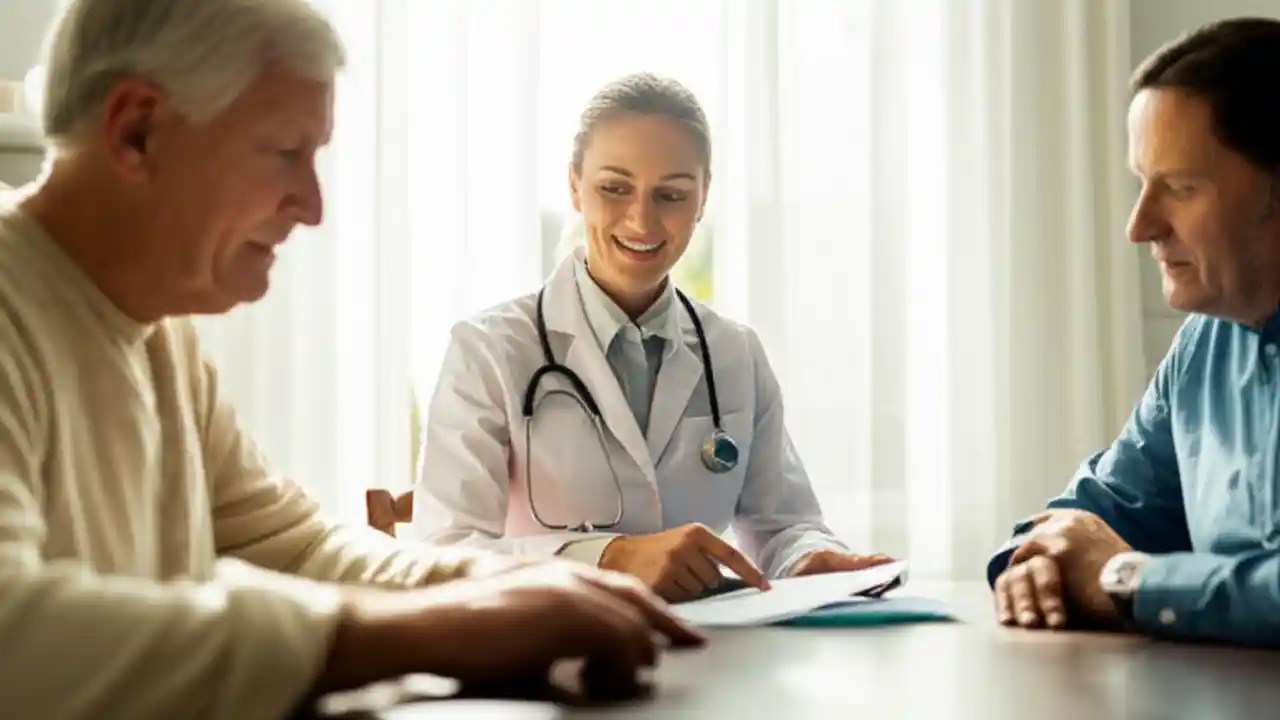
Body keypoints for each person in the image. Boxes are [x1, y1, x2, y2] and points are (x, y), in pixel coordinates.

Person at [0, 2, 702, 718]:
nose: (312, 206)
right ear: (138, 131)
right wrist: (432, 630)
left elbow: (293, 547)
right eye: (283, 152)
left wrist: (490, 587)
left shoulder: (155, 330)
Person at [413, 73, 893, 602]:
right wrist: (609, 556)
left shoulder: (734, 353)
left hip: (713, 656)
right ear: (574, 186)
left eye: (671, 194)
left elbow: (781, 525)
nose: (642, 219)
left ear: (703, 196)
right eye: (614, 188)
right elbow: (447, 551)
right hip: (556, 649)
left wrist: (810, 556)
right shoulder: (488, 350)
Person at [988, 17, 1280, 646]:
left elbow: (1112, 561)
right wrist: (1036, 561)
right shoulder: (1206, 343)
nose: (1139, 226)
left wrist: (1127, 577)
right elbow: (1092, 514)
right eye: (1140, 184)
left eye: (1179, 187)